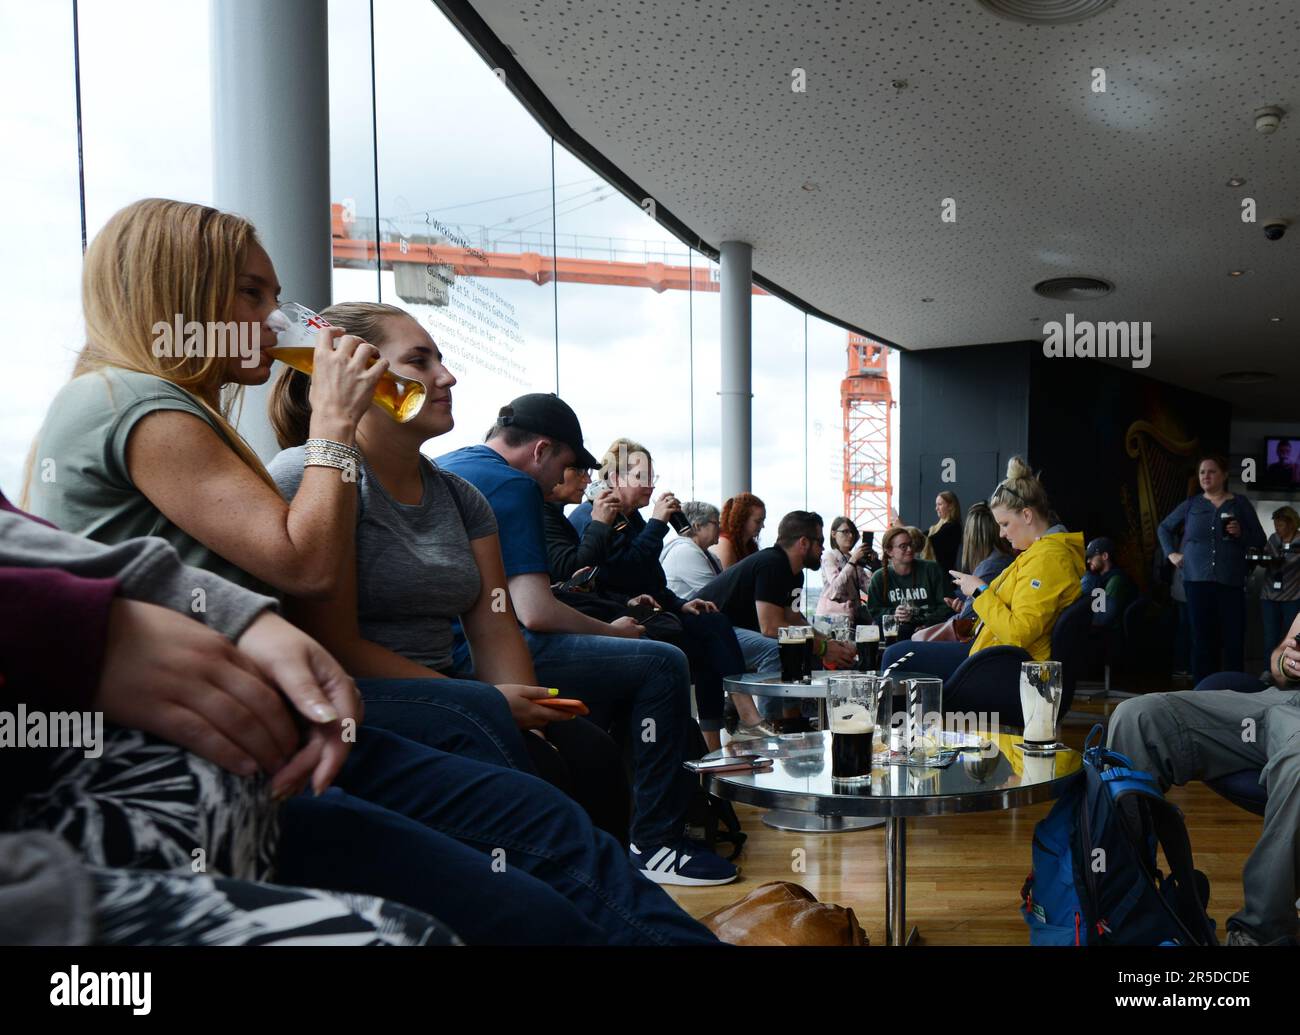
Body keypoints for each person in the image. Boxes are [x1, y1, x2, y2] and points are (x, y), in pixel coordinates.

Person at [21, 198, 725, 937]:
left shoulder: (170, 412)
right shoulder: (138, 402)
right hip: (220, 749)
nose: (278, 316)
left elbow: (483, 625)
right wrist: (334, 425)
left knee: (546, 825)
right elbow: (306, 569)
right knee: (529, 849)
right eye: (252, 293)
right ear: (181, 294)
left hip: (270, 733)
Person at [2, 490, 714, 945]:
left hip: (269, 722)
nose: (445, 377)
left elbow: (503, 619)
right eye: (251, 293)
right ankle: (656, 843)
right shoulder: (290, 461)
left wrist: (239, 622)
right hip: (297, 706)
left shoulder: (459, 494)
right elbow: (313, 588)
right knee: (497, 717)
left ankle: (660, 885)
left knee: (565, 765)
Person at [266, 301, 630, 842]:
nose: (447, 376)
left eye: (440, 359)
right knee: (537, 780)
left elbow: (495, 628)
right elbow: (334, 643)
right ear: (352, 370)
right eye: (420, 362)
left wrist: (521, 707)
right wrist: (481, 703)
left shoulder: (462, 498)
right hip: (364, 703)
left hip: (453, 698)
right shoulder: (312, 474)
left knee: (590, 753)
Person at [438, 395, 738, 885]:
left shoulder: (453, 464)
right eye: (567, 464)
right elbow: (535, 610)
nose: (565, 479)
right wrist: (610, 630)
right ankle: (657, 843)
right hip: (478, 649)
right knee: (661, 663)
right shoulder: (514, 485)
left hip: (451, 644)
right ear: (540, 451)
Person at [1106, 611, 1300, 946]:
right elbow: (1281, 657)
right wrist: (1287, 662)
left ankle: (1261, 934)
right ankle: (1126, 900)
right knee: (1138, 717)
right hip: (1277, 702)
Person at [565, 439, 761, 750]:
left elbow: (651, 580)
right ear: (615, 479)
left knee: (711, 622)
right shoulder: (598, 516)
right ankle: (738, 722)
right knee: (707, 636)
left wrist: (682, 604)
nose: (649, 486)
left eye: (651, 478)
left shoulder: (631, 518)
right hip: (613, 616)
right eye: (641, 478)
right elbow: (626, 571)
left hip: (647, 610)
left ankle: (715, 738)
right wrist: (658, 523)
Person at [881, 458, 1085, 709]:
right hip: (996, 657)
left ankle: (893, 740)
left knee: (896, 657)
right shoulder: (1040, 555)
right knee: (899, 653)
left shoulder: (1048, 560)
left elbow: (1018, 633)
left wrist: (979, 590)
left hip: (1005, 668)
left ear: (1027, 515)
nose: (1001, 533)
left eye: (1005, 524)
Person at [695, 511, 858, 696]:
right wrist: (822, 647)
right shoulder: (772, 564)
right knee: (778, 650)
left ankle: (794, 716)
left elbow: (794, 620)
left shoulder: (796, 573)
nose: (823, 548)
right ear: (803, 542)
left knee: (804, 646)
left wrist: (828, 642)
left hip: (728, 630)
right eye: (819, 542)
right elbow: (771, 628)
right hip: (707, 629)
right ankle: (773, 721)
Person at [1157, 453, 1267, 682]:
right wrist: (1171, 554)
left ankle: (1234, 690)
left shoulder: (1240, 503)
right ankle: (1203, 691)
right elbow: (1164, 528)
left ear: (1224, 475)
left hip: (1231, 581)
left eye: (1212, 471)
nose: (1206, 476)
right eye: (1202, 472)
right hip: (1196, 581)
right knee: (1201, 638)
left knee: (1233, 638)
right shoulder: (1191, 505)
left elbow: (1259, 538)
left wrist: (1241, 534)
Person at [864, 525, 952, 634]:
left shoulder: (932, 570)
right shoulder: (879, 578)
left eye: (910, 544)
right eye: (903, 546)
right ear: (889, 551)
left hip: (930, 630)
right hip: (895, 632)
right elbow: (874, 611)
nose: (910, 549)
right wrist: (894, 613)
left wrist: (926, 623)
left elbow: (947, 606)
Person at [945, 501, 1015, 622]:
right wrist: (966, 605)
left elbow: (967, 618)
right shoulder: (1006, 559)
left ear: (971, 536)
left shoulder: (990, 566)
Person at [660, 500, 725, 598]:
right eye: (716, 523)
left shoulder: (708, 554)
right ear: (697, 526)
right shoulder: (685, 551)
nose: (720, 528)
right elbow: (718, 593)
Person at [816, 516, 875, 621]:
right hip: (831, 618)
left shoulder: (853, 557)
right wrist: (852, 561)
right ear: (833, 534)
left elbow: (869, 589)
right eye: (845, 532)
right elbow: (836, 588)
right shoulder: (829, 556)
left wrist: (874, 566)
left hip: (852, 617)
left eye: (852, 532)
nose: (850, 536)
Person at [1259, 505, 1300, 652]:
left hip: (1293, 597)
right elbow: (1264, 561)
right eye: (1275, 524)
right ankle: (1268, 670)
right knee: (1270, 637)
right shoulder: (1273, 539)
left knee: (1293, 638)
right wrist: (1263, 559)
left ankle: (1290, 671)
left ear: (1291, 523)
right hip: (1269, 596)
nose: (1277, 528)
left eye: (1280, 524)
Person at [1080, 536, 1137, 628]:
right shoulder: (1103, 579)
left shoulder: (1115, 581)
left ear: (1105, 556)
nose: (1088, 561)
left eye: (1092, 556)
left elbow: (1101, 620)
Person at [711, 492, 765, 569]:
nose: (763, 526)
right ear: (742, 519)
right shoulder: (725, 544)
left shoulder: (748, 545)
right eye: (758, 521)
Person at [922, 491, 962, 594]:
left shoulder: (953, 527)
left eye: (940, 504)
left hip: (944, 580)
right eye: (936, 505)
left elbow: (928, 540)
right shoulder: (937, 527)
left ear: (951, 506)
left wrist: (905, 529)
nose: (936, 508)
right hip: (938, 577)